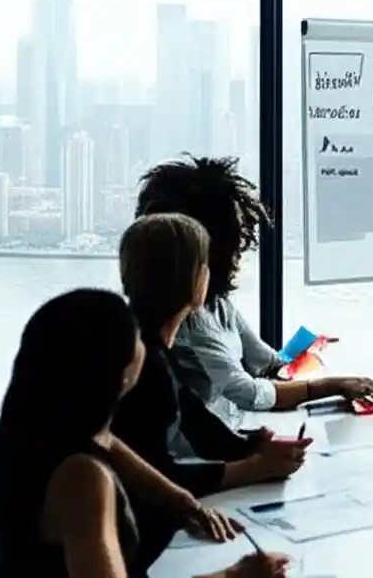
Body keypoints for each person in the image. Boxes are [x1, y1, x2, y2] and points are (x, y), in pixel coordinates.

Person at [0, 288, 288, 578]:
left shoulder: (38, 433)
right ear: (117, 373)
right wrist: (232, 576)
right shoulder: (81, 477)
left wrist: (187, 505)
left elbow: (116, 449)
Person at [113, 213, 312, 569]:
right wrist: (253, 468)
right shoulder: (142, 364)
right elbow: (157, 477)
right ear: (194, 280)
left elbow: (193, 419)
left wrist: (252, 444)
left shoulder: (144, 344)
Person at [135, 155, 373, 428]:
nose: (239, 257)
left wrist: (311, 345)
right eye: (235, 246)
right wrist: (332, 385)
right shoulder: (189, 325)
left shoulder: (217, 305)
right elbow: (248, 393)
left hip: (229, 439)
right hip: (203, 455)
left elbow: (268, 363)